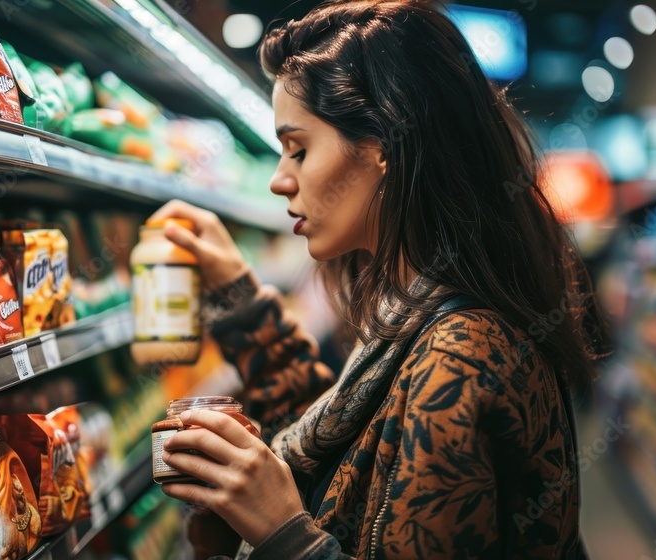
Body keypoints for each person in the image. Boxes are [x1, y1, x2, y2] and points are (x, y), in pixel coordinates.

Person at [149, 1, 608, 557]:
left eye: (298, 149)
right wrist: (238, 297)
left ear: (383, 147)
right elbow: (346, 441)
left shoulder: (459, 355)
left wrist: (283, 530)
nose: (279, 180)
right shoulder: (426, 307)